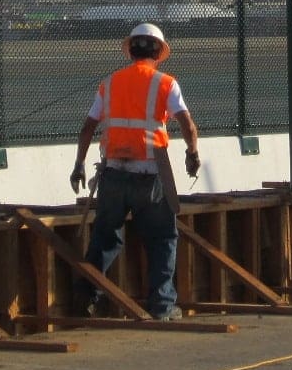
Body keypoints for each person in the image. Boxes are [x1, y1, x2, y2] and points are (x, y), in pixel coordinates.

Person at [70, 23, 201, 321]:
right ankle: (162, 306)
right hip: (151, 173)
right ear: (158, 51)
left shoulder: (110, 83)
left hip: (113, 172)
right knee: (162, 239)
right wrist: (192, 154)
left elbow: (88, 127)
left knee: (104, 236)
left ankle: (88, 296)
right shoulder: (165, 83)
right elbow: (187, 124)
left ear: (130, 50)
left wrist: (78, 165)